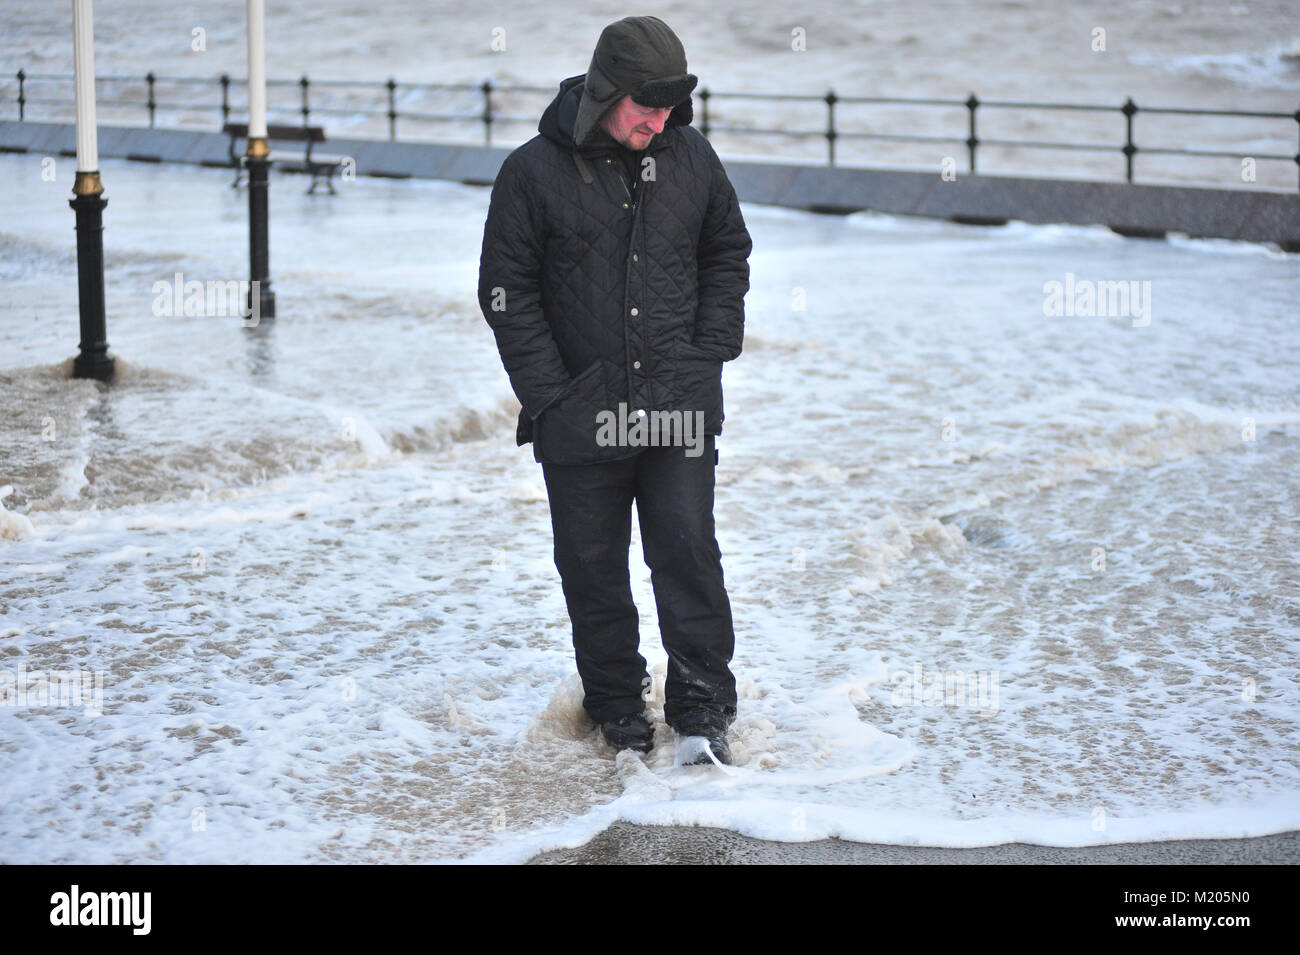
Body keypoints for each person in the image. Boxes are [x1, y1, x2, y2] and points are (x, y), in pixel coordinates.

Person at [477, 15, 752, 764]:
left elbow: (727, 251)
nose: (658, 122)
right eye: (645, 107)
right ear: (606, 92)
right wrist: (552, 395)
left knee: (688, 555)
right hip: (579, 416)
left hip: (678, 408)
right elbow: (505, 290)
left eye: (668, 109)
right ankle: (620, 717)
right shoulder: (532, 173)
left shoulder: (692, 159)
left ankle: (701, 716)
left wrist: (709, 352)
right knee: (593, 571)